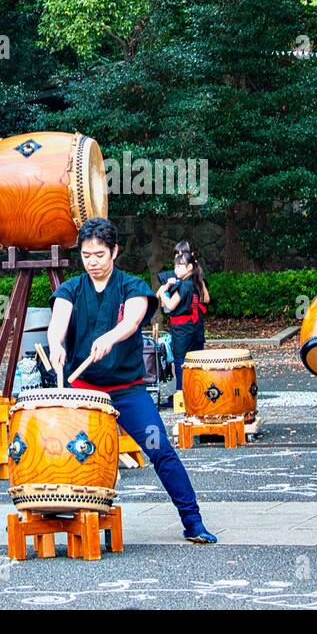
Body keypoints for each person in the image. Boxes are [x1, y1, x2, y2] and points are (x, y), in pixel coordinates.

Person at [48, 217, 216, 543]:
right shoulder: (71, 288)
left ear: (114, 251)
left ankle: (192, 522)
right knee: (83, 456)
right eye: (86, 255)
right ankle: (89, 524)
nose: (93, 261)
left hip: (128, 391)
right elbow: (58, 322)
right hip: (85, 393)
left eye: (99, 254)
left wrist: (111, 337)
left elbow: (133, 319)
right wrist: (56, 345)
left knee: (161, 450)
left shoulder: (132, 285)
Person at [155, 249, 207, 393]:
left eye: (179, 266)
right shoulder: (195, 282)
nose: (175, 269)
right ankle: (197, 392)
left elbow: (170, 305)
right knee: (196, 360)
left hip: (183, 329)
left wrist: (162, 292)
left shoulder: (184, 285)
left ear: (189, 267)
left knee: (180, 361)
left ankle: (181, 394)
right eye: (175, 266)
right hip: (195, 326)